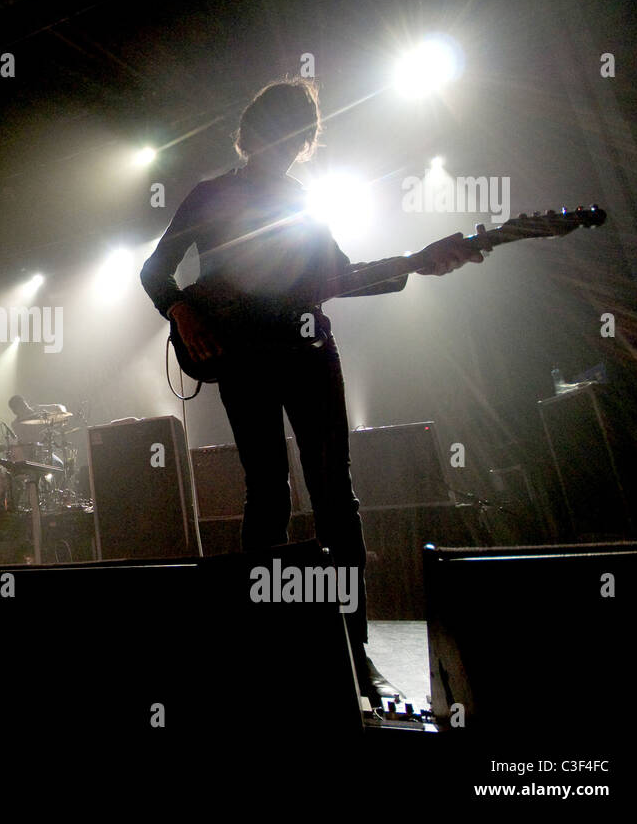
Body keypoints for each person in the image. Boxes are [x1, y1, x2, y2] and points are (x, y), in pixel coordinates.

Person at [140, 77, 481, 700]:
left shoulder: (304, 201)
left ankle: (354, 650)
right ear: (253, 131)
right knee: (266, 493)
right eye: (284, 125)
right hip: (243, 359)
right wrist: (181, 312)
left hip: (308, 351)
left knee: (334, 495)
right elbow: (154, 268)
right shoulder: (211, 193)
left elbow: (339, 276)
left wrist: (415, 261)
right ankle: (266, 643)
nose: (294, 139)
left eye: (302, 128)